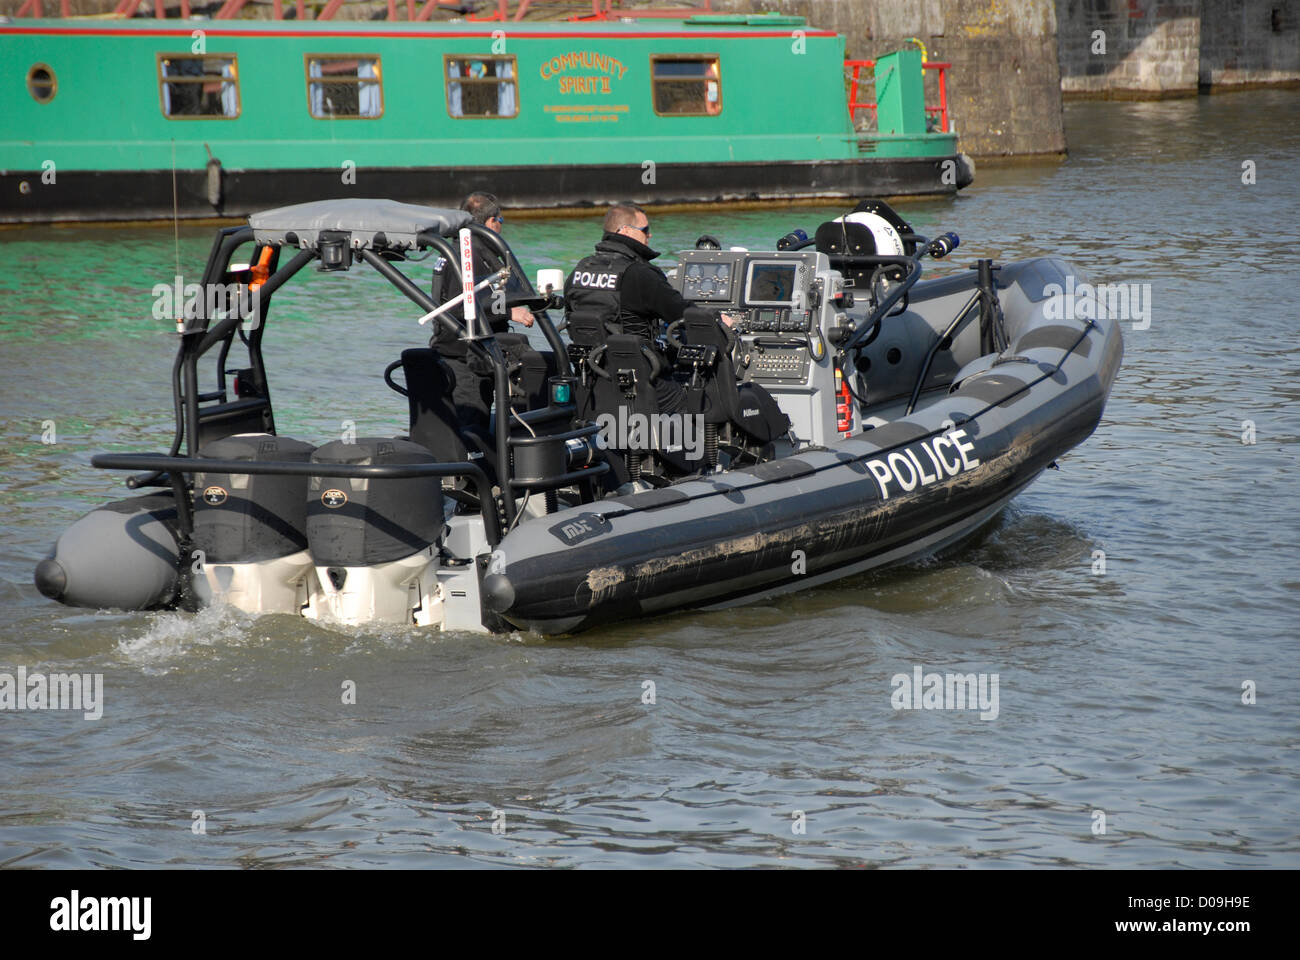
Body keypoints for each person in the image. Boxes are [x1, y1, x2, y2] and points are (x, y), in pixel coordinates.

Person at [564, 201, 688, 413]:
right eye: (646, 230)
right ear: (627, 231)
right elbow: (682, 313)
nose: (650, 236)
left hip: (592, 381)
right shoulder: (639, 274)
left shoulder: (579, 270)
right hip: (642, 384)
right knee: (699, 399)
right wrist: (718, 319)